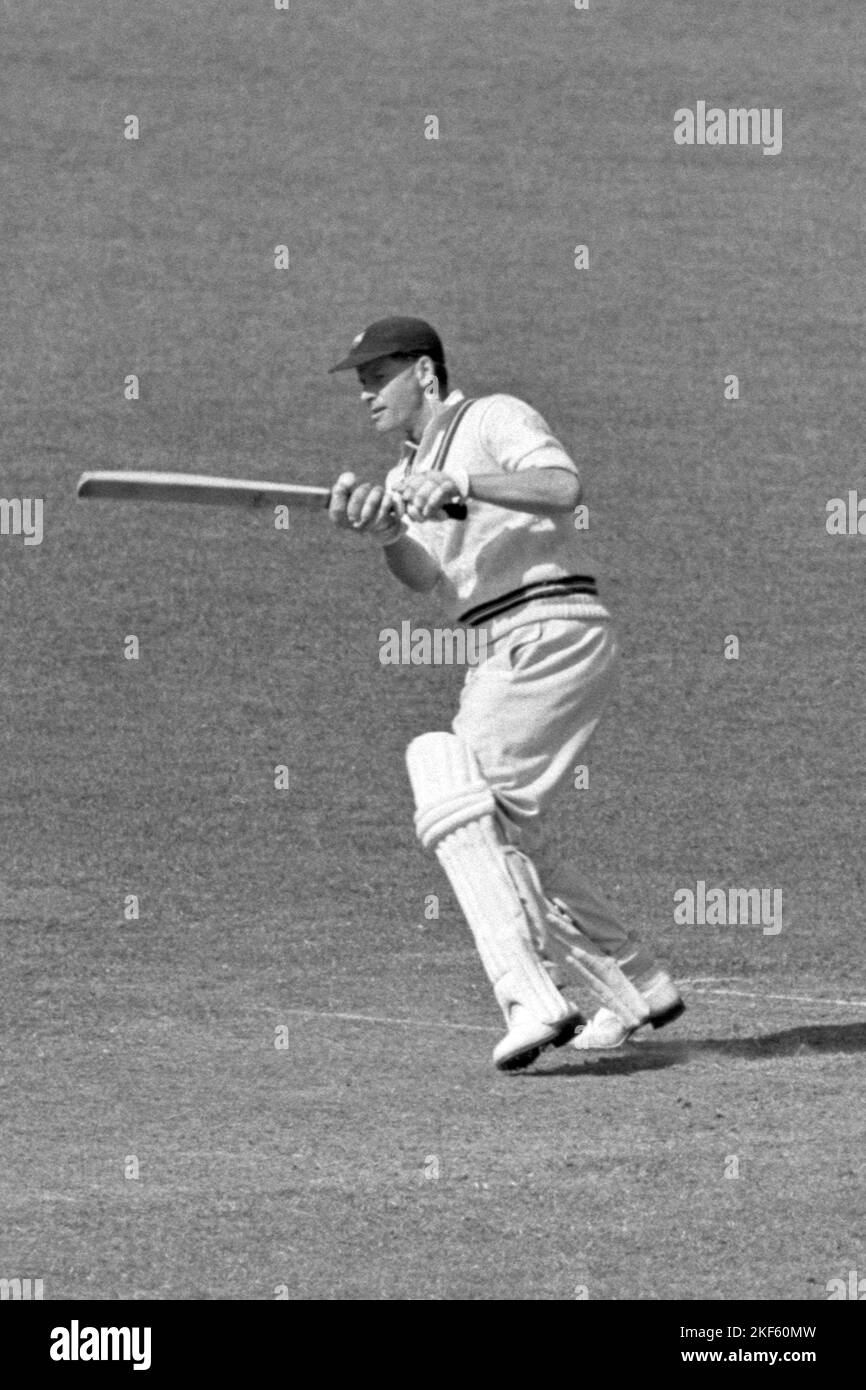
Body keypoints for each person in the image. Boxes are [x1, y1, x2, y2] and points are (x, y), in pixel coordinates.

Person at [328, 316, 684, 1069]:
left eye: (377, 374)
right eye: (359, 380)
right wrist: (386, 532)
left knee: (449, 787)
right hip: (496, 645)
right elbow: (427, 577)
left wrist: (460, 480)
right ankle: (637, 985)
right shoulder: (403, 473)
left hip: (550, 626)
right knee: (503, 830)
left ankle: (533, 997)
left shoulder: (493, 416)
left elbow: (562, 486)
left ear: (425, 372)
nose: (365, 393)